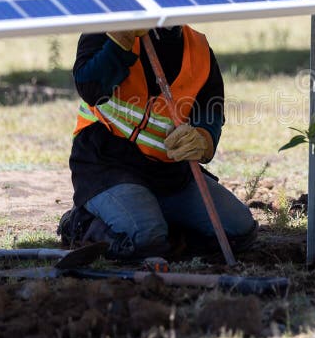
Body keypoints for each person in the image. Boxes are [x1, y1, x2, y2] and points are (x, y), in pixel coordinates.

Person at [63, 25, 257, 259]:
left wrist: (204, 137)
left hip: (169, 173)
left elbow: (210, 107)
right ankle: (81, 223)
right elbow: (89, 87)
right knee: (144, 240)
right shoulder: (107, 28)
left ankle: (157, 225)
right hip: (106, 164)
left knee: (239, 230)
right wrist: (118, 44)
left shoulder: (198, 47)